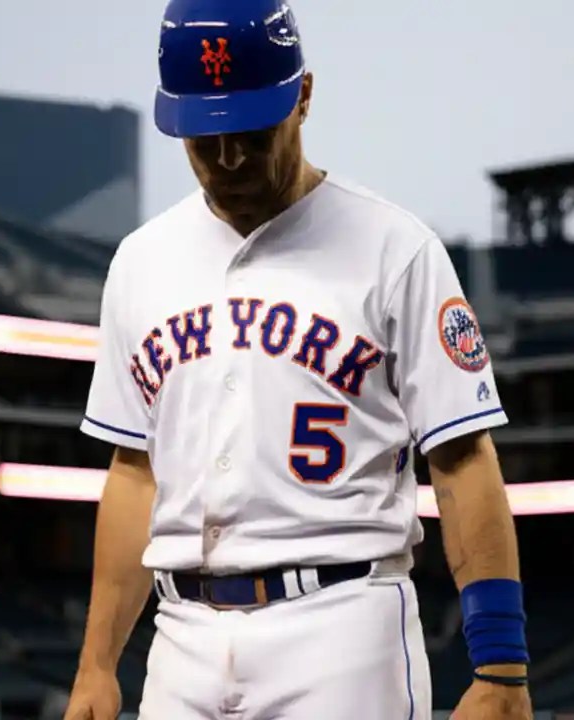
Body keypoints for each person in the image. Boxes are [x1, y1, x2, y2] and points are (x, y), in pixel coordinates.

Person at [64, 0, 533, 717]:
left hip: (341, 628)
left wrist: (501, 668)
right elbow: (134, 474)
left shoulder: (395, 249)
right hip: (180, 636)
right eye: (203, 138)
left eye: (251, 135)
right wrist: (97, 664)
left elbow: (463, 460)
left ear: (303, 97)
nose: (227, 161)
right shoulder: (140, 263)